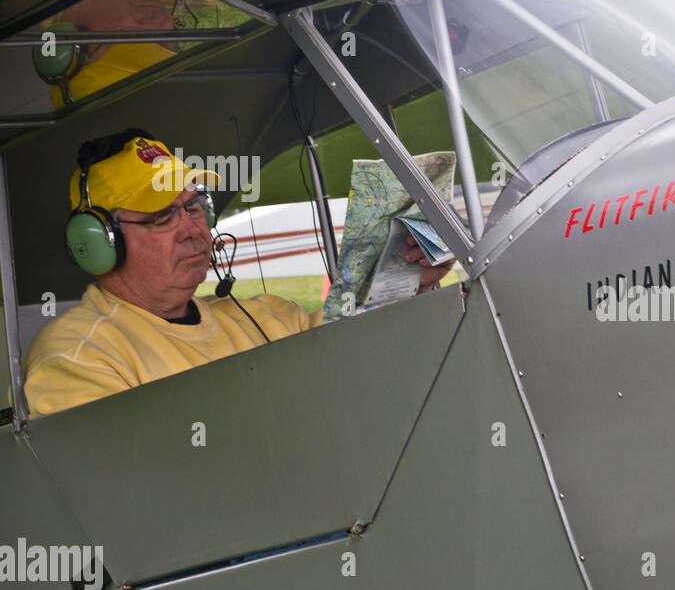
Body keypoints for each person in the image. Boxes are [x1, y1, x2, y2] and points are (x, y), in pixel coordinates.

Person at [22, 130, 450, 419]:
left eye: (194, 206)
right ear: (98, 241)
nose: (193, 228)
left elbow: (347, 356)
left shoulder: (271, 317)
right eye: (161, 217)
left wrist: (407, 284)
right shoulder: (75, 359)